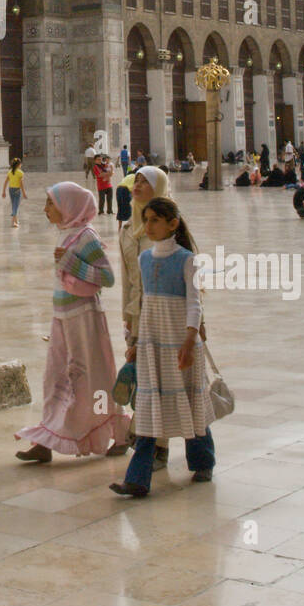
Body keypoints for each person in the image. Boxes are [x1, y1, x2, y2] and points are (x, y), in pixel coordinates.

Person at [15, 182, 130, 463]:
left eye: (50, 204)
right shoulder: (64, 233)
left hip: (85, 318)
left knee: (94, 379)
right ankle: (47, 438)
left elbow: (107, 277)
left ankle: (117, 431)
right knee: (56, 378)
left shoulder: (85, 236)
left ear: (68, 206)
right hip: (62, 317)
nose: (45, 209)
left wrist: (70, 262)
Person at [110, 197, 215, 498]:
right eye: (147, 219)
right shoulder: (145, 259)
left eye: (156, 219)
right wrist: (136, 342)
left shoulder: (186, 259)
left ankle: (203, 461)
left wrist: (189, 340)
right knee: (147, 406)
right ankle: (138, 480)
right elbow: (144, 302)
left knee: (189, 401)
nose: (150, 226)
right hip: (153, 343)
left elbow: (194, 302)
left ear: (173, 224)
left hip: (180, 341)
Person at [118, 165, 172, 466]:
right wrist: (127, 315)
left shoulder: (171, 225)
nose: (136, 186)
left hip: (165, 313)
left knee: (160, 379)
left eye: (144, 182)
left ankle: (158, 444)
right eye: (135, 180)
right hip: (139, 314)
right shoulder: (128, 228)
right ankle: (145, 435)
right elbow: (127, 278)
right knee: (143, 376)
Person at [2, 158, 27, 228]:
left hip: (11, 190)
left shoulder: (9, 172)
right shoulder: (20, 173)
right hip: (17, 190)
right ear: (19, 165)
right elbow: (21, 184)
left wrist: (3, 191)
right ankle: (14, 222)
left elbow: (5, 182)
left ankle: (15, 220)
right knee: (16, 205)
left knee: (14, 204)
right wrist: (24, 193)